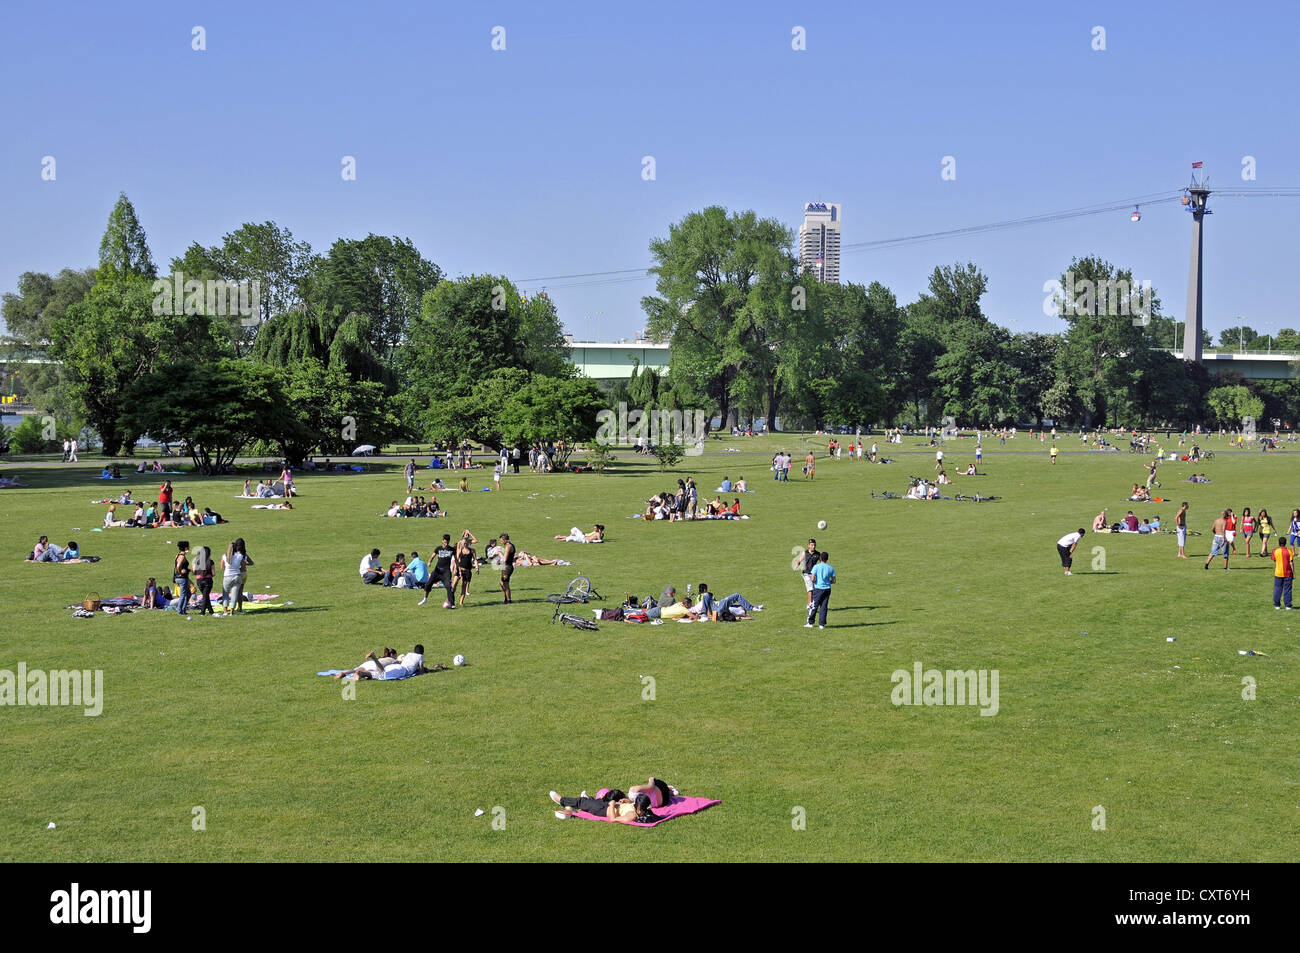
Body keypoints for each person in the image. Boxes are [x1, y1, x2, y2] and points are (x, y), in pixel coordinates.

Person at [548, 789, 660, 824]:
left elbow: (613, 819)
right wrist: (627, 801)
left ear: (639, 808)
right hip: (607, 806)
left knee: (581, 802)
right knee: (590, 802)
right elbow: (633, 804)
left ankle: (561, 800)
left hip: (604, 809)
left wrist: (611, 805)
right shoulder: (644, 809)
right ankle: (588, 798)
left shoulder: (632, 815)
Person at [419, 534, 457, 608]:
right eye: (445, 542)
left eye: (447, 542)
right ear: (442, 540)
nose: (446, 544)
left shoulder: (452, 550)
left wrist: (455, 568)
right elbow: (432, 557)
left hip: (446, 572)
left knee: (449, 587)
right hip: (437, 571)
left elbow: (456, 559)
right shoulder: (438, 548)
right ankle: (425, 599)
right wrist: (429, 562)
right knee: (428, 584)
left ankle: (452, 604)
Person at [221, 538, 253, 612]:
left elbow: (222, 568)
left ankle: (226, 610)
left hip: (230, 575)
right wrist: (245, 564)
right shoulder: (242, 555)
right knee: (239, 592)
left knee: (227, 593)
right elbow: (249, 564)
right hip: (241, 574)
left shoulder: (226, 556)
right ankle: (239, 608)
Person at [805, 551, 836, 628]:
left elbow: (812, 579)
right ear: (827, 559)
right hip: (827, 589)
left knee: (814, 606)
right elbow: (834, 580)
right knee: (824, 606)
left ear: (820, 558)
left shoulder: (816, 567)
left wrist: (816, 582)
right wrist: (828, 582)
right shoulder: (830, 568)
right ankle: (821, 624)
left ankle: (810, 623)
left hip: (818, 588)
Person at [192, 545, 215, 615]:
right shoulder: (211, 562)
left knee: (205, 596)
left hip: (199, 581)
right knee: (205, 596)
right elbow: (213, 574)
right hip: (208, 581)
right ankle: (202, 612)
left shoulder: (196, 561)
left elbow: (193, 571)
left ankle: (211, 611)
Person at [1273, 538, 1294, 609]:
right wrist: (1293, 573)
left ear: (1278, 543)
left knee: (1277, 588)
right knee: (1287, 589)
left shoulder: (1275, 551)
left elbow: (1275, 561)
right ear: (1285, 543)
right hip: (1288, 573)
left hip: (1278, 573)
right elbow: (1291, 563)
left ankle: (1277, 605)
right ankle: (1288, 605)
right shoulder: (1289, 551)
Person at [454, 536, 476, 606]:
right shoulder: (460, 550)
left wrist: (477, 567)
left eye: (467, 543)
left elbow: (475, 559)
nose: (466, 544)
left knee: (464, 586)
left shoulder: (472, 551)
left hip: (467, 571)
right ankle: (451, 598)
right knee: (454, 584)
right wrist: (455, 568)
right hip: (460, 569)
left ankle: (461, 602)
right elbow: (457, 560)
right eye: (465, 543)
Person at [800, 538, 821, 606]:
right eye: (812, 545)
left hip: (814, 574)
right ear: (808, 545)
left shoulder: (818, 554)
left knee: (815, 590)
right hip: (806, 573)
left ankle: (813, 604)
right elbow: (799, 560)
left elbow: (822, 563)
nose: (813, 546)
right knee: (810, 589)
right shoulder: (805, 553)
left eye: (814, 545)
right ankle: (809, 605)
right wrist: (797, 565)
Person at [173, 541, 191, 615]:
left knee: (188, 594)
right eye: (188, 547)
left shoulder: (178, 555)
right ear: (186, 548)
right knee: (183, 595)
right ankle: (180, 611)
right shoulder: (182, 556)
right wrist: (181, 571)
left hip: (179, 578)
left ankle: (183, 610)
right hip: (182, 578)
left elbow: (175, 565)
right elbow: (178, 566)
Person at [499, 533, 516, 604]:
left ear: (505, 540)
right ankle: (506, 598)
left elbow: (504, 559)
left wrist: (499, 553)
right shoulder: (510, 545)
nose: (501, 542)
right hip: (506, 568)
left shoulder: (508, 546)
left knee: (505, 583)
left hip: (507, 568)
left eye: (501, 540)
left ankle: (508, 600)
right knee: (502, 582)